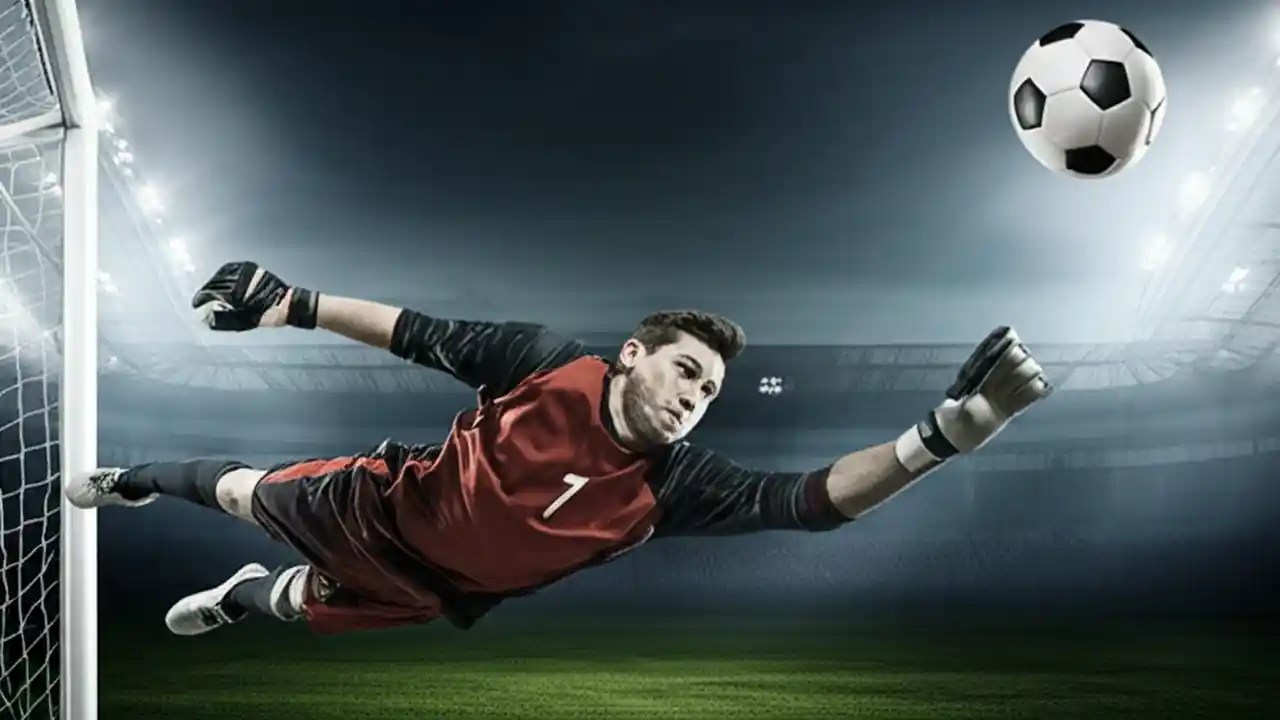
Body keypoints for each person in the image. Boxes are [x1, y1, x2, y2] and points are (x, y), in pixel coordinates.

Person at [69, 261, 1052, 637]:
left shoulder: (678, 485)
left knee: (290, 603)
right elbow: (415, 331)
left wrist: (940, 438)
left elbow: (812, 501)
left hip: (438, 595)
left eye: (709, 392)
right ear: (631, 356)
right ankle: (131, 479)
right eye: (685, 371)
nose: (695, 398)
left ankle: (237, 598)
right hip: (377, 507)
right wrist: (293, 304)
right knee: (241, 493)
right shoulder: (546, 364)